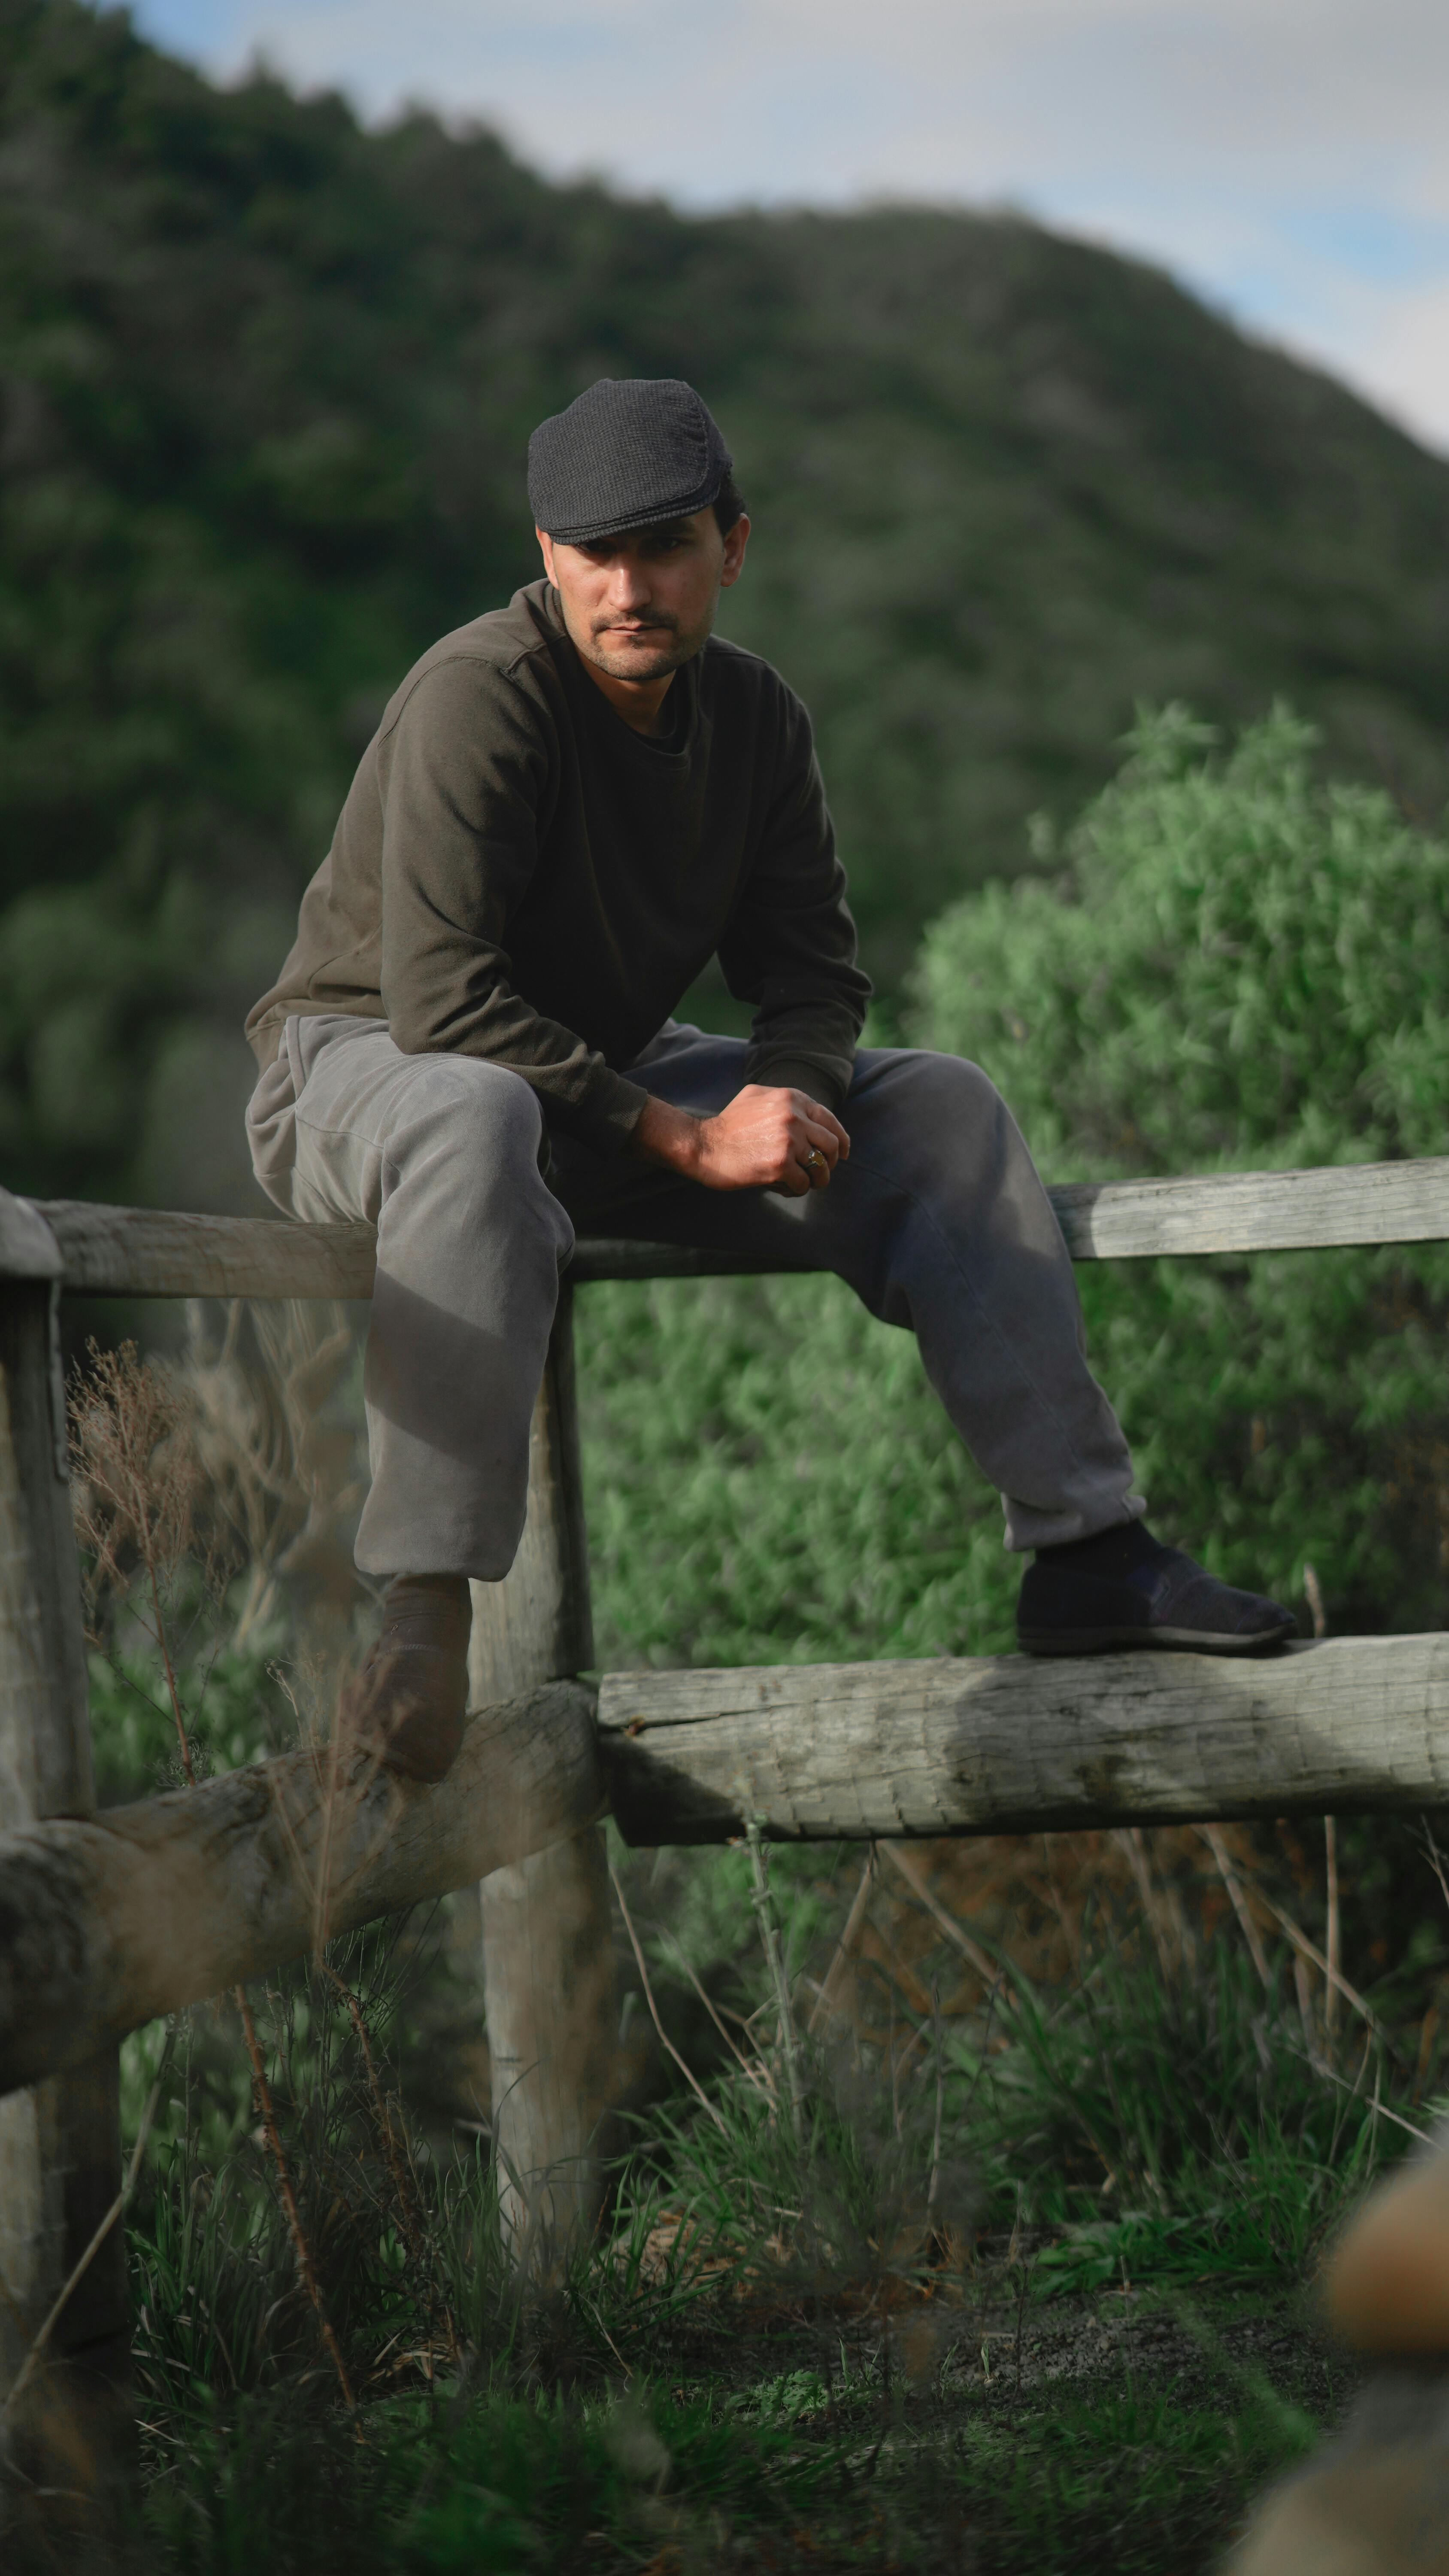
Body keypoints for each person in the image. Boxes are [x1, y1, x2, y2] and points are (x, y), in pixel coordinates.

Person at [243, 376, 1294, 1782]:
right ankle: (421, 1623)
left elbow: (812, 974)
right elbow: (441, 1002)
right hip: (369, 1063)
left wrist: (789, 1097)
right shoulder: (479, 694)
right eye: (594, 552)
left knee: (938, 1106)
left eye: (666, 544)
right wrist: (681, 1137)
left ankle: (1088, 1553)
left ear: (733, 546)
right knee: (476, 1109)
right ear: (547, 554)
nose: (630, 585)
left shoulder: (755, 721)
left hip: (592, 1077)